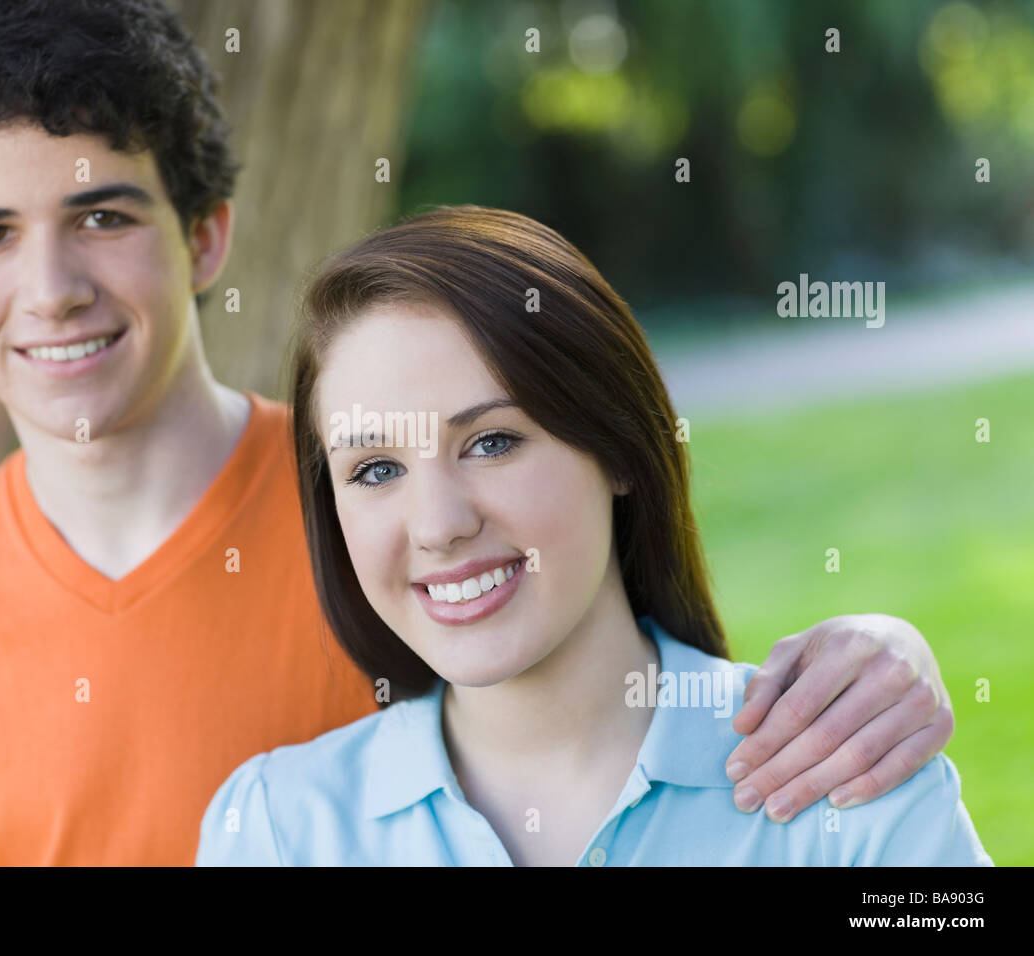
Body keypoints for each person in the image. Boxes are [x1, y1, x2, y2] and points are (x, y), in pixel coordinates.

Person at [0, 0, 959, 866]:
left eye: (103, 215)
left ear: (208, 236)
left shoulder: (380, 516)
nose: (52, 288)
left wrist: (880, 645)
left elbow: (640, 702)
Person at [195, 206, 991, 866]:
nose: (438, 526)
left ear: (615, 447)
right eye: (374, 471)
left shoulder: (855, 782)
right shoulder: (275, 831)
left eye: (493, 442)